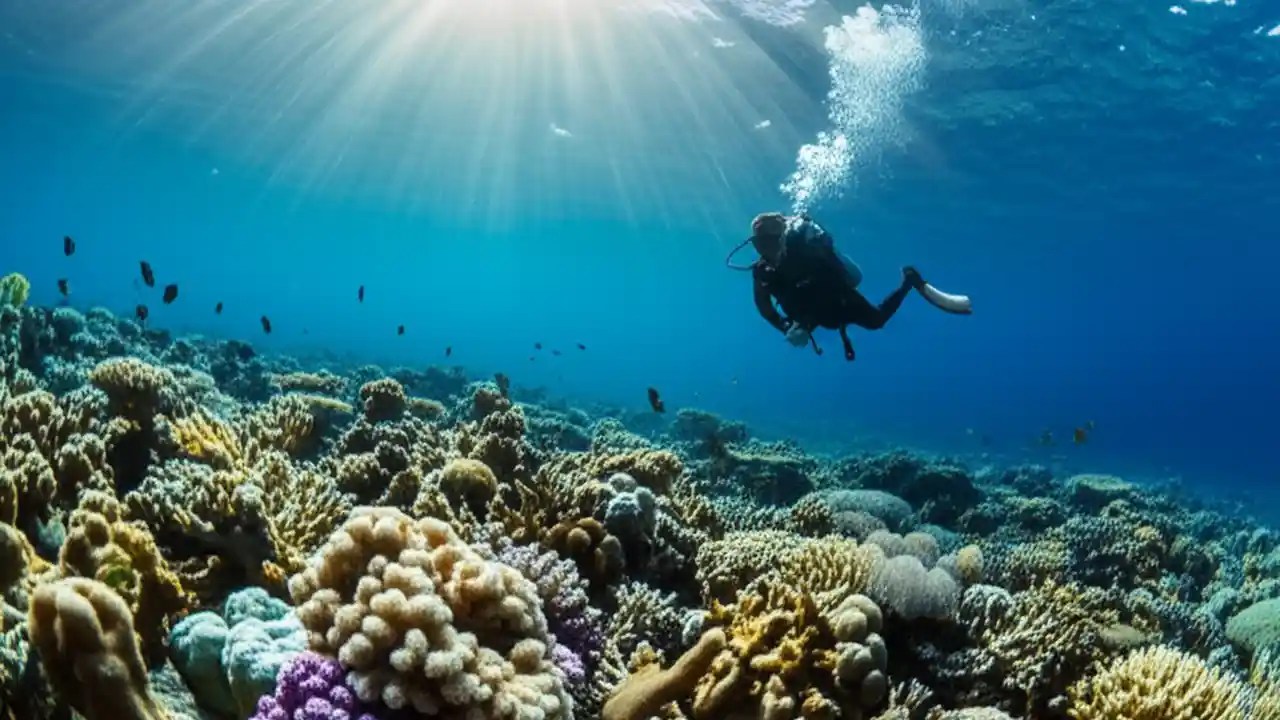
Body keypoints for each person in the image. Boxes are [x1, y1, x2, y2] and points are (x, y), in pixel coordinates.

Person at [746, 211, 926, 361]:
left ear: (782, 234)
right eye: (758, 243)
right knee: (873, 321)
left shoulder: (804, 244)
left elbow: (834, 266)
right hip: (810, 313)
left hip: (837, 298)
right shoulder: (764, 273)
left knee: (876, 321)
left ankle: (908, 281)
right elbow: (765, 308)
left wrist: (816, 240)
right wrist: (786, 327)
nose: (763, 249)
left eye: (768, 241)